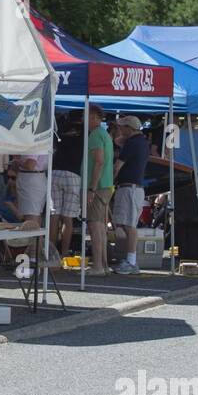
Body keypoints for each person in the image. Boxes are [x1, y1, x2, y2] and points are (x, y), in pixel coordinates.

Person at [111, 115, 149, 275]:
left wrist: (109, 181)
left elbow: (118, 166)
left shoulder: (132, 143)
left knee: (129, 226)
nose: (119, 130)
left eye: (121, 127)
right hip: (133, 188)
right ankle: (130, 259)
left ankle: (132, 261)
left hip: (129, 188)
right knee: (126, 224)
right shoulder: (141, 142)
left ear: (129, 128)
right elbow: (118, 141)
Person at [85, 104, 114, 277]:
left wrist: (92, 188)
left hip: (98, 187)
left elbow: (99, 161)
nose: (83, 119)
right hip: (106, 185)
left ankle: (98, 266)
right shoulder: (105, 134)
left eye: (86, 116)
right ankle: (103, 265)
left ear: (95, 117)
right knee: (101, 227)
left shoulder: (96, 135)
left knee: (95, 227)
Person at [50, 113, 84, 259]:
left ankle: (51, 253)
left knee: (54, 215)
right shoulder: (85, 132)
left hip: (56, 172)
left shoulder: (61, 128)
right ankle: (64, 254)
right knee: (68, 218)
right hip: (73, 175)